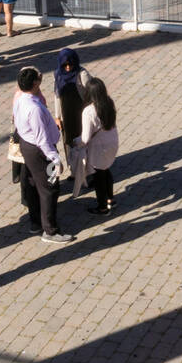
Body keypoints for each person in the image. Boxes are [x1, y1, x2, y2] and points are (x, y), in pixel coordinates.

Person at [13, 66, 73, 243]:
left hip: (27, 145)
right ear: (34, 83)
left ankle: (36, 221)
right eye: (38, 77)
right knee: (50, 188)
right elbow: (42, 139)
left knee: (32, 184)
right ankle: (50, 231)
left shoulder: (20, 99)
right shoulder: (34, 109)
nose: (41, 77)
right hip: (39, 150)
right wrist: (55, 158)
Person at [81, 77, 119, 215]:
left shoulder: (88, 111)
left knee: (99, 178)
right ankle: (110, 199)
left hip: (99, 148)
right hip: (112, 143)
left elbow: (85, 138)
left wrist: (75, 142)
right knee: (106, 170)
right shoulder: (109, 102)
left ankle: (103, 207)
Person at [53, 47, 92, 150]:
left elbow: (93, 90)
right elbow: (57, 96)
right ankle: (73, 163)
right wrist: (57, 117)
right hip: (66, 115)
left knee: (84, 138)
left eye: (70, 64)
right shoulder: (58, 75)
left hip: (82, 112)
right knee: (69, 142)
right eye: (65, 65)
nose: (68, 67)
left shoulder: (82, 74)